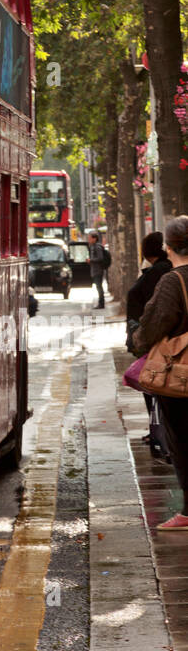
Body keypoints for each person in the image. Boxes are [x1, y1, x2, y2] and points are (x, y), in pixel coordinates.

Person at [130, 215, 188, 530]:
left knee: (181, 439)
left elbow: (154, 323)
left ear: (168, 246)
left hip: (180, 375)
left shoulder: (173, 280)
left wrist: (138, 341)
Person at [125, 232, 172, 457]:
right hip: (150, 337)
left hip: (154, 340)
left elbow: (152, 307)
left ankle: (160, 433)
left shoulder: (160, 272)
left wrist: (142, 337)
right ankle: (157, 432)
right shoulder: (161, 270)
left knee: (153, 386)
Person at [87, 230, 106, 309]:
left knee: (99, 287)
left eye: (90, 238)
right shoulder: (92, 246)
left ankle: (101, 304)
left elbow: (100, 258)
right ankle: (100, 303)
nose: (89, 240)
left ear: (94, 239)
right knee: (98, 287)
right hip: (95, 270)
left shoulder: (97, 247)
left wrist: (91, 260)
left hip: (98, 270)